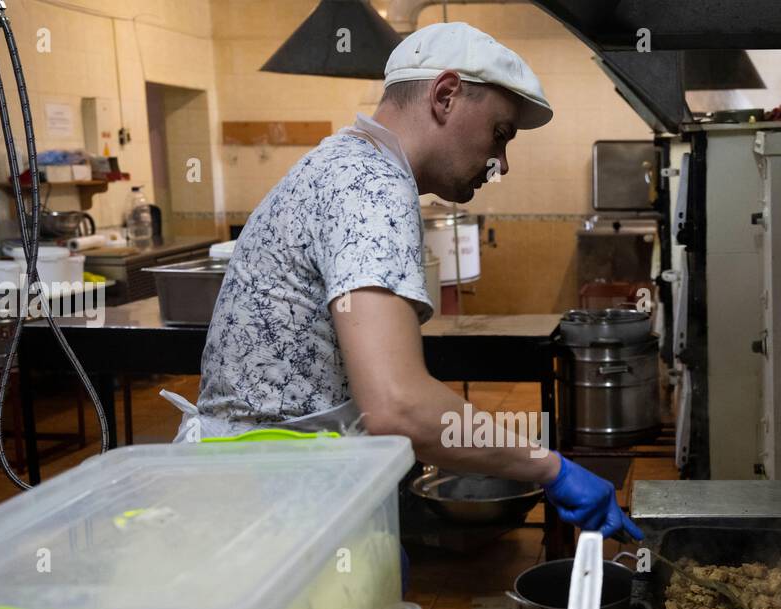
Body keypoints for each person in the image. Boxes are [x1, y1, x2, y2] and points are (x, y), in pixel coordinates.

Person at [165, 21, 640, 541]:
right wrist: (550, 467)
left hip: (262, 488)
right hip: (268, 506)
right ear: (446, 95)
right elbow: (399, 405)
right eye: (500, 135)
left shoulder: (341, 163)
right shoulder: (371, 186)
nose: (500, 163)